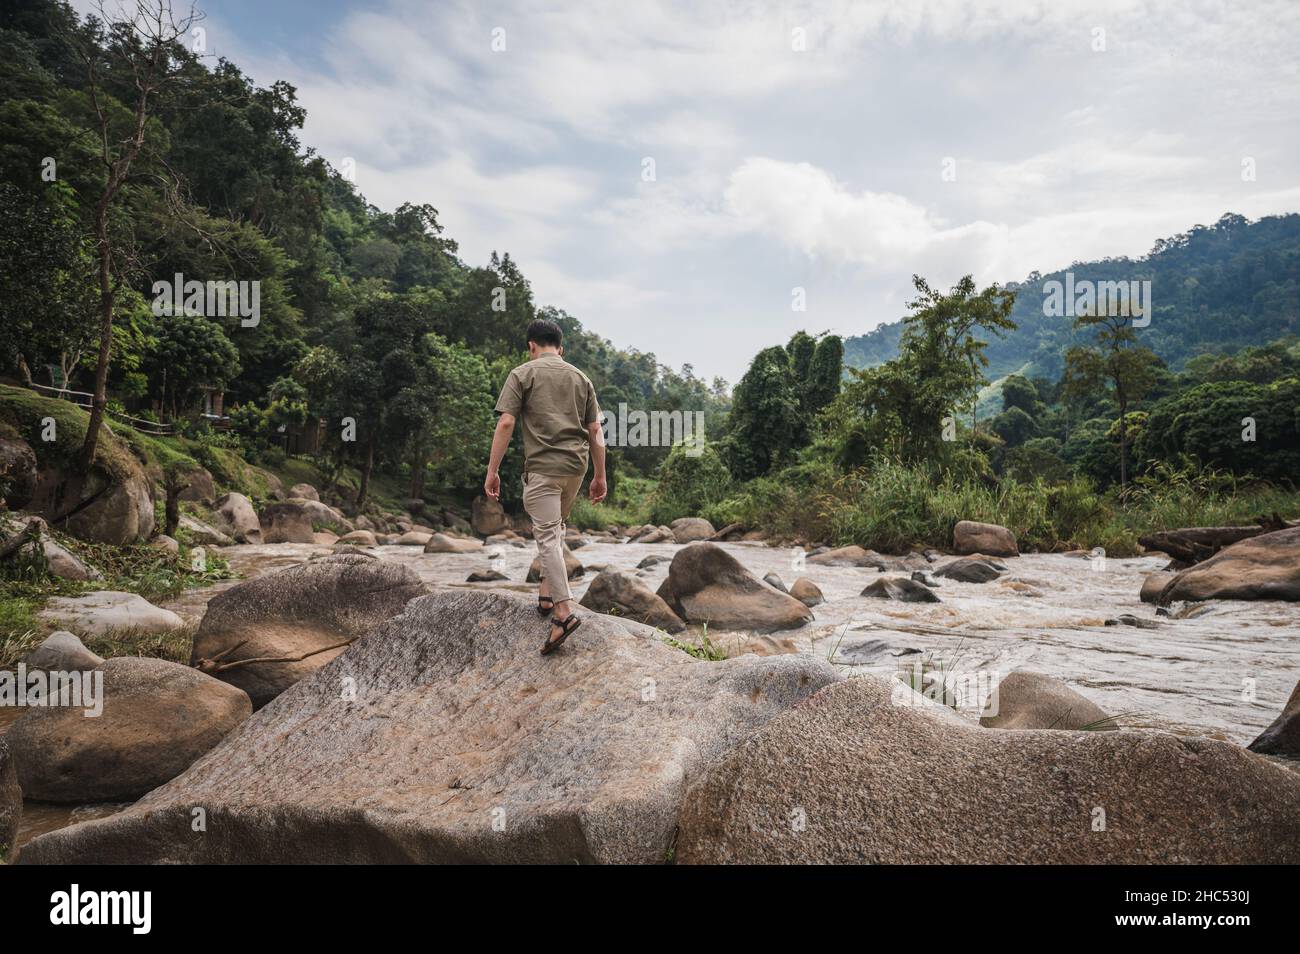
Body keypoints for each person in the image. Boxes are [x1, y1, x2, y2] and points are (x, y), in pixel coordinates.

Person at [485, 318, 607, 654]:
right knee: (557, 528)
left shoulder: (523, 373)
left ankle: (563, 612)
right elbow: (595, 430)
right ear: (561, 347)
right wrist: (600, 475)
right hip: (575, 467)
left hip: (542, 468)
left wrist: (492, 470)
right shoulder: (581, 378)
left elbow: (507, 421)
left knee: (549, 535)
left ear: (531, 346)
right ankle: (545, 594)